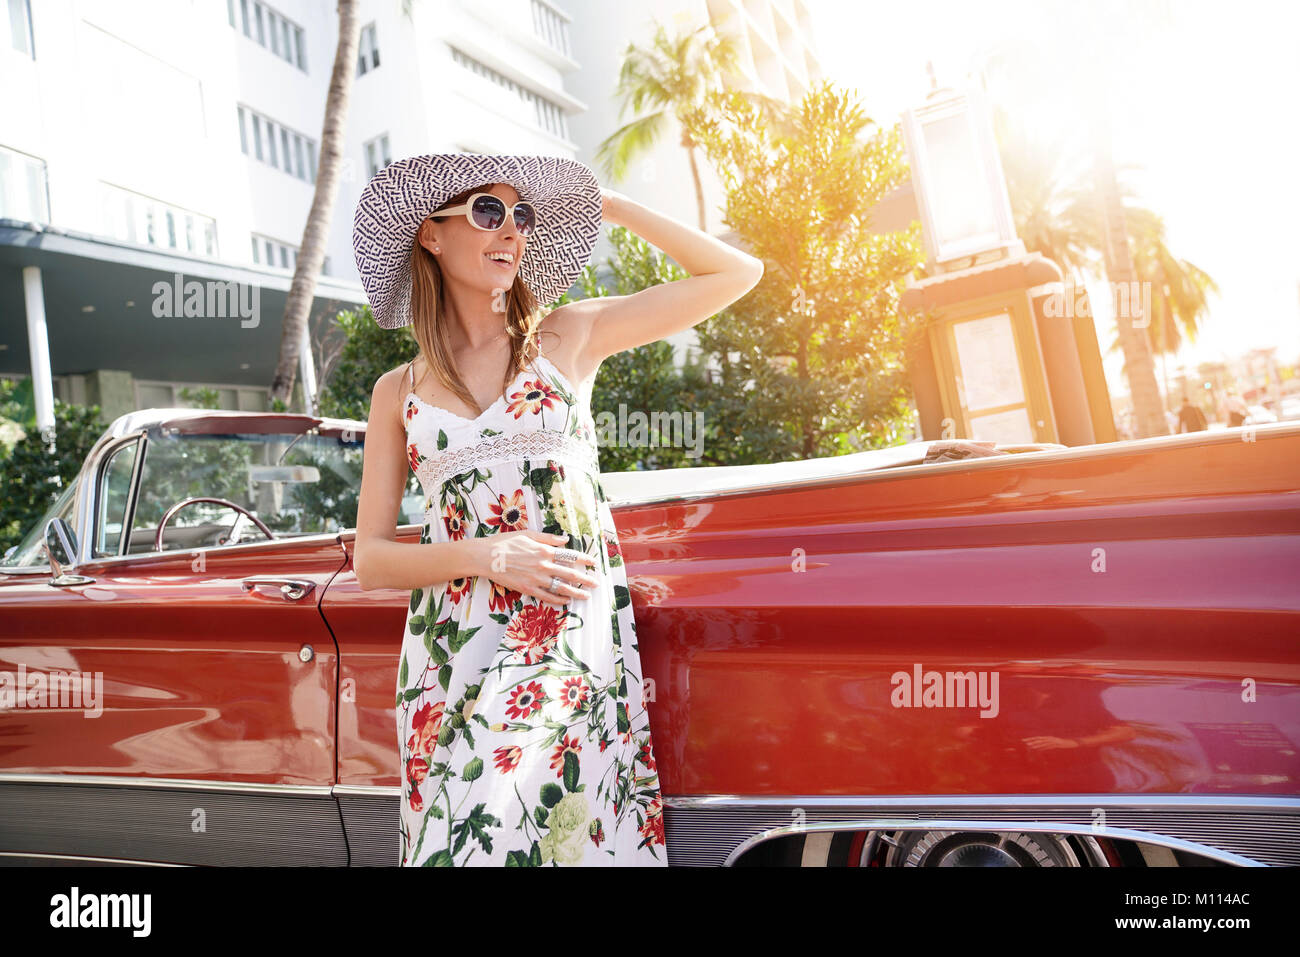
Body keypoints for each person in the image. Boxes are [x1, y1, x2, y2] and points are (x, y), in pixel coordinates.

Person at [350, 154, 763, 866]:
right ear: (431, 235)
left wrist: (611, 204)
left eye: (523, 215)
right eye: (487, 211)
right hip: (452, 660)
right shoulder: (399, 391)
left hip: (565, 650)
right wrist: (485, 554)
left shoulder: (566, 340)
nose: (510, 230)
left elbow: (734, 274)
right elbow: (371, 560)